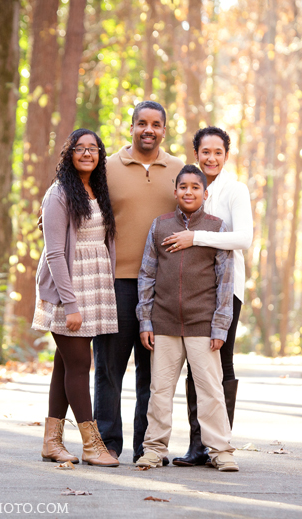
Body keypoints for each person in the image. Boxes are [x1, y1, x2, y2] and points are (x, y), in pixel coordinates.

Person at [93, 101, 184, 463]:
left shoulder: (178, 169)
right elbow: (79, 204)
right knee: (108, 369)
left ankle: (147, 448)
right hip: (115, 283)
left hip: (162, 287)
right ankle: (107, 444)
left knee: (153, 375)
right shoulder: (108, 168)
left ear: (164, 129)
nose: (149, 129)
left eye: (156, 124)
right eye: (141, 123)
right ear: (130, 127)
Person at [135, 165, 239, 472]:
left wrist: (220, 324)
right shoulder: (160, 225)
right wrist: (145, 320)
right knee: (160, 391)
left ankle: (221, 451)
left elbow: (225, 281)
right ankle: (153, 450)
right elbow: (146, 274)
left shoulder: (216, 228)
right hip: (163, 323)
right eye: (184, 187)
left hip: (202, 325)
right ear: (175, 191)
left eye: (196, 187)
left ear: (205, 194)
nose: (189, 192)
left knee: (210, 390)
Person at [161, 126, 253, 467]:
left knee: (221, 360)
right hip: (191, 290)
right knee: (192, 363)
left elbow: (243, 239)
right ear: (196, 154)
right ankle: (198, 445)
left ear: (226, 156)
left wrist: (196, 237)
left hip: (227, 289)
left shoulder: (235, 190)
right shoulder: (189, 185)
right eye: (205, 152)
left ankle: (219, 445)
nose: (211, 158)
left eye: (218, 152)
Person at [32, 129, 119, 467]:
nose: (86, 153)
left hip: (94, 286)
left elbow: (103, 241)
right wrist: (71, 305)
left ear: (100, 154)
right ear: (69, 154)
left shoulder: (97, 189)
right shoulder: (58, 194)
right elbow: (54, 254)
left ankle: (51, 443)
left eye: (93, 148)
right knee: (81, 364)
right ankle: (92, 444)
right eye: (79, 148)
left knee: (65, 365)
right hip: (67, 290)